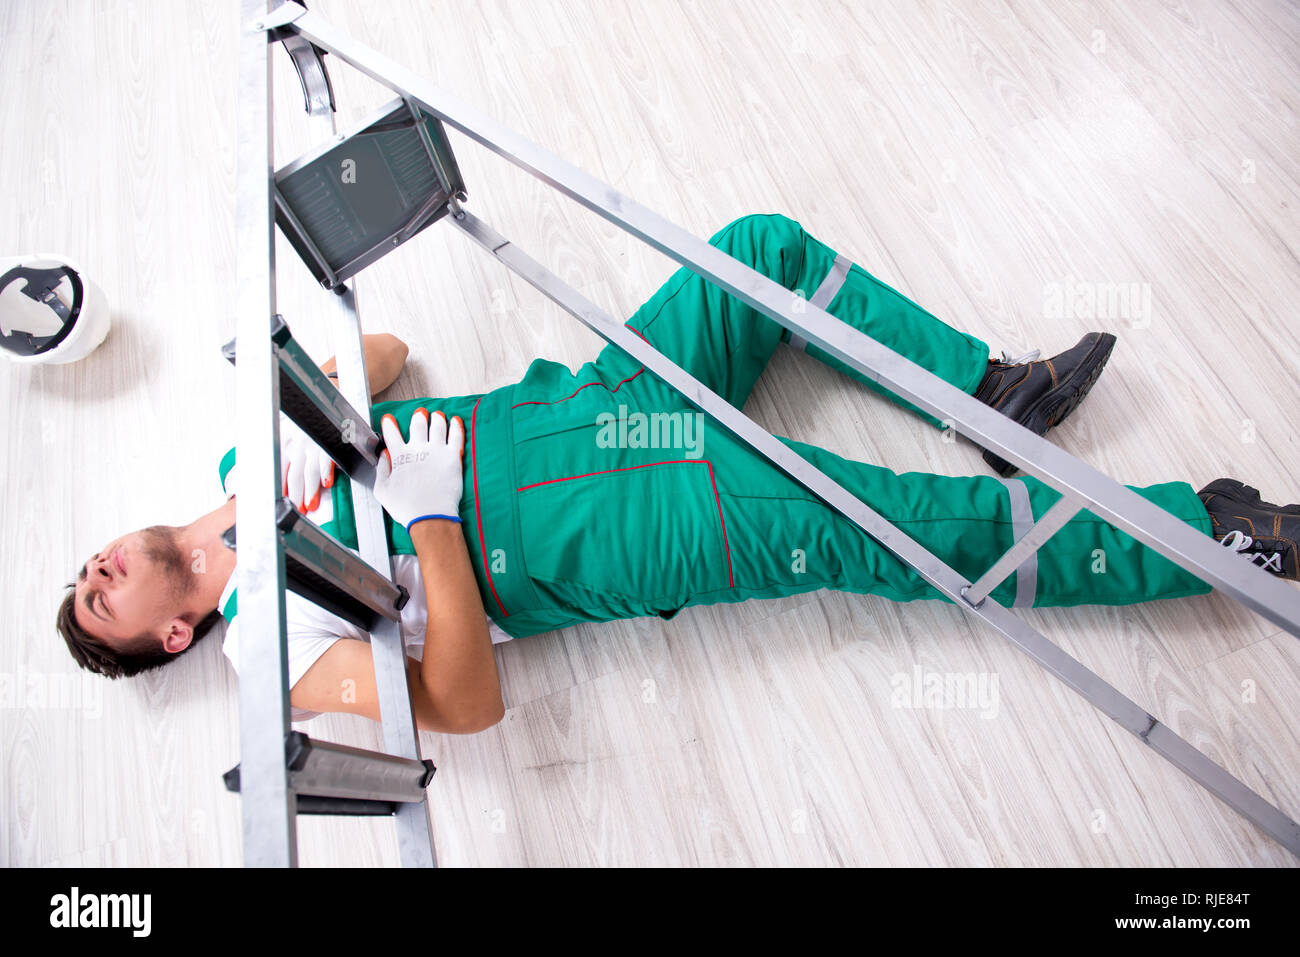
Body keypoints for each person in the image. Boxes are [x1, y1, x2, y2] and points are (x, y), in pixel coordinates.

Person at [55, 213, 1299, 733]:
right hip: (606, 526)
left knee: (757, 254)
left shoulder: (239, 440)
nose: (101, 570)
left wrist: (310, 409)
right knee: (908, 533)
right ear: (169, 640)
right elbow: (466, 706)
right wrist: (427, 530)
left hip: (601, 406)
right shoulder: (266, 651)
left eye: (86, 566)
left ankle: (985, 392)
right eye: (101, 600)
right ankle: (1209, 538)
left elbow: (385, 350)